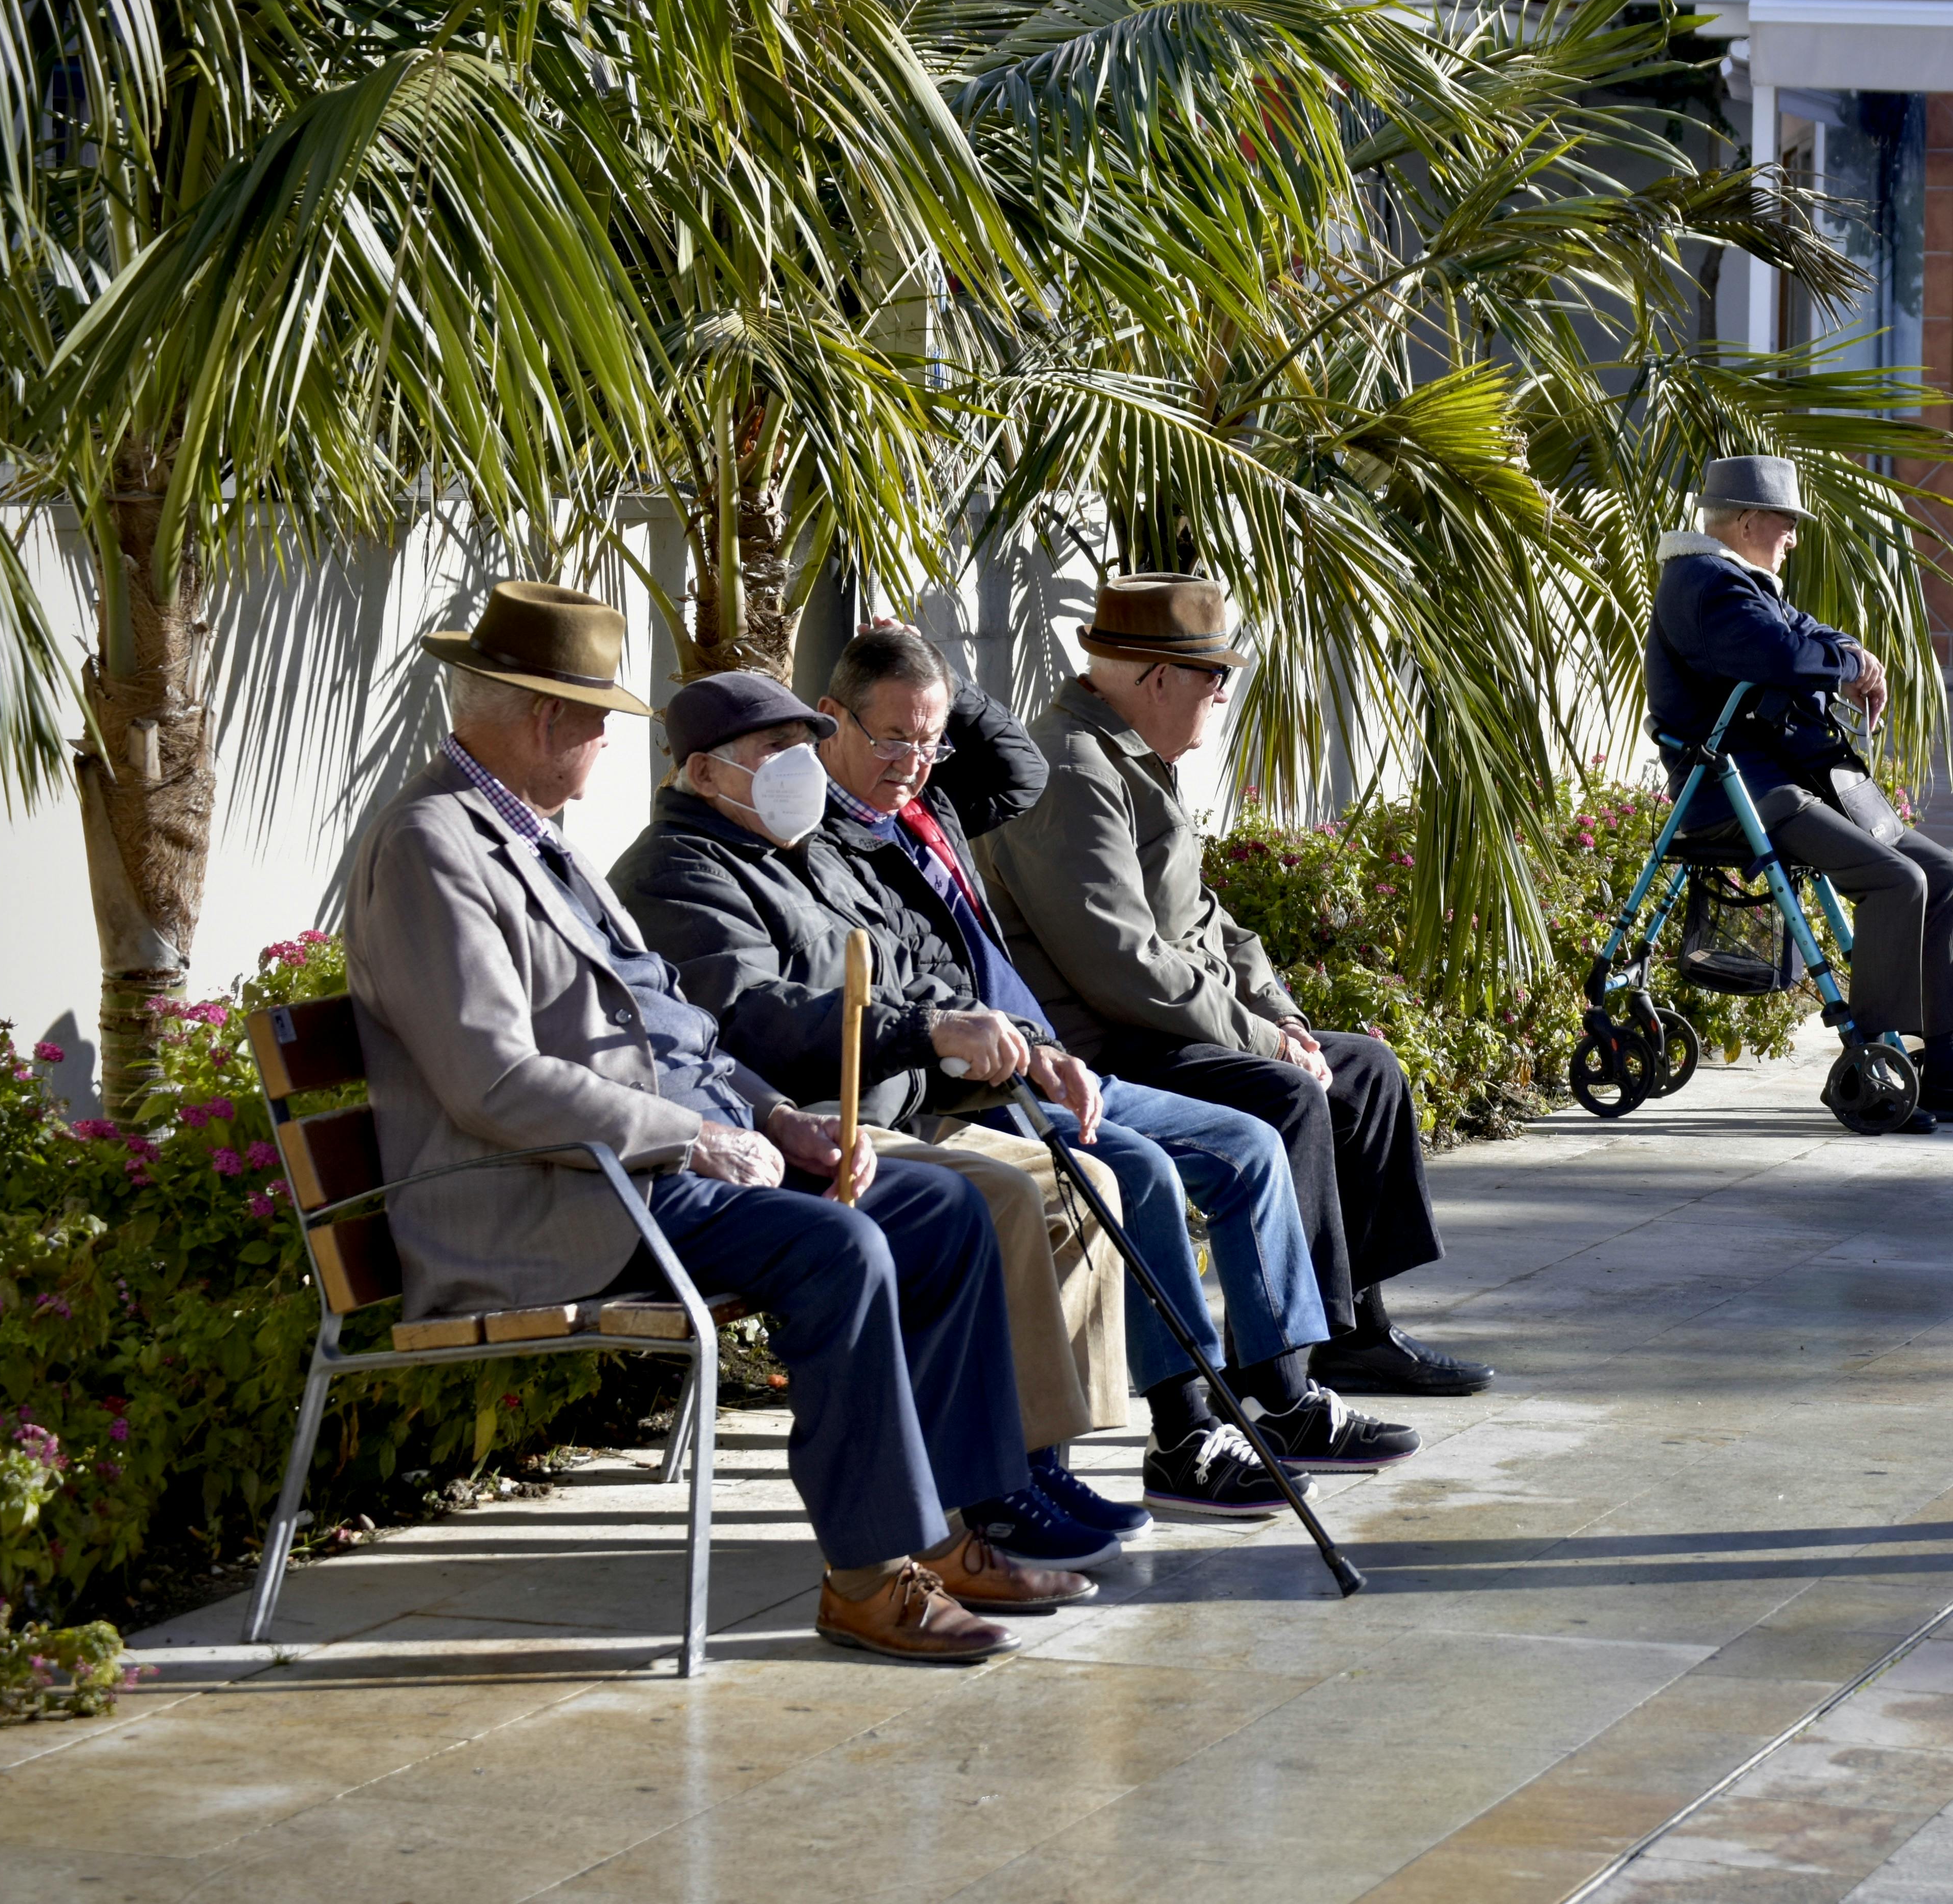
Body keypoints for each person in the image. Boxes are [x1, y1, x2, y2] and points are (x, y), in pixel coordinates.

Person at [345, 580, 1085, 1666]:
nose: (605, 744)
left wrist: (779, 1119)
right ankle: (870, 1577)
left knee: (938, 1202)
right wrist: (688, 1135)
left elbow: (672, 1027)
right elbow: (490, 1082)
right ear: (548, 718)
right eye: (598, 719)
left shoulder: (529, 834)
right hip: (562, 1190)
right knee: (837, 1245)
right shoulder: (432, 845)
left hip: (642, 1171)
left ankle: (949, 1529)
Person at [611, 657, 1420, 1526]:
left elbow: (929, 931)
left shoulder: (816, 842)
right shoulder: (699, 864)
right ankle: (1089, 1459)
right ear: (705, 768)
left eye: (928, 741)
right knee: (1095, 1183)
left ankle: (1068, 1458)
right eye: (780, 749)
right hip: (857, 1116)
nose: (908, 761)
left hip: (962, 1074)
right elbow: (751, 1014)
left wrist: (1016, 1042)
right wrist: (937, 1037)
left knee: (1198, 1154)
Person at [977, 575, 1494, 1400]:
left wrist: (1282, 1014)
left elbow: (1211, 920)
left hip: (1170, 1025)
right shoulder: (1071, 769)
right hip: (1111, 1046)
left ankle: (1354, 1330)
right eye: (1215, 681)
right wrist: (1265, 1042)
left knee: (1365, 1073)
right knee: (1290, 1092)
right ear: (1158, 679)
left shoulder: (1129, 755)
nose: (1221, 699)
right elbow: (1121, 962)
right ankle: (1275, 1363)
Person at [1648, 454, 1953, 1132]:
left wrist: (1850, 652)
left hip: (1788, 784)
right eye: (1785, 523)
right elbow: (1776, 653)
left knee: (1947, 877)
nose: (1794, 537)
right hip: (1736, 792)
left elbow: (1803, 634)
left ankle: (1945, 1073)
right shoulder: (1703, 584)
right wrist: (1847, 660)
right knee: (1896, 883)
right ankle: (1881, 1065)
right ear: (1746, 521)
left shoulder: (1738, 580)